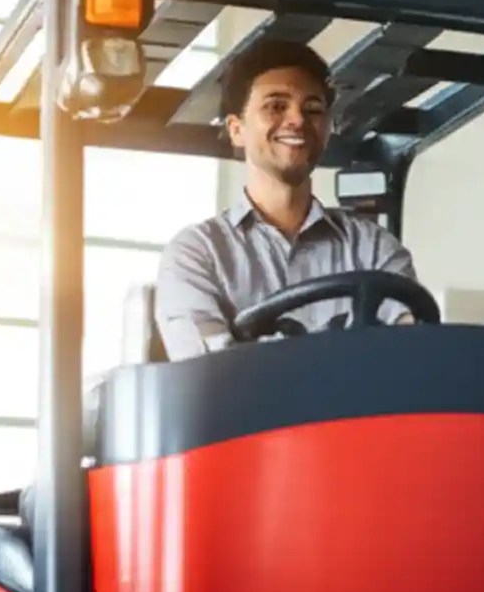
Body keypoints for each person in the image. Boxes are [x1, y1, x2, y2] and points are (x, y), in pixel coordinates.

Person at [155, 40, 418, 360]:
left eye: (312, 109)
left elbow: (411, 352)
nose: (297, 120)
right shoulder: (200, 253)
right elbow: (207, 375)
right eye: (276, 106)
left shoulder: (373, 247)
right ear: (236, 130)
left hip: (359, 409)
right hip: (250, 410)